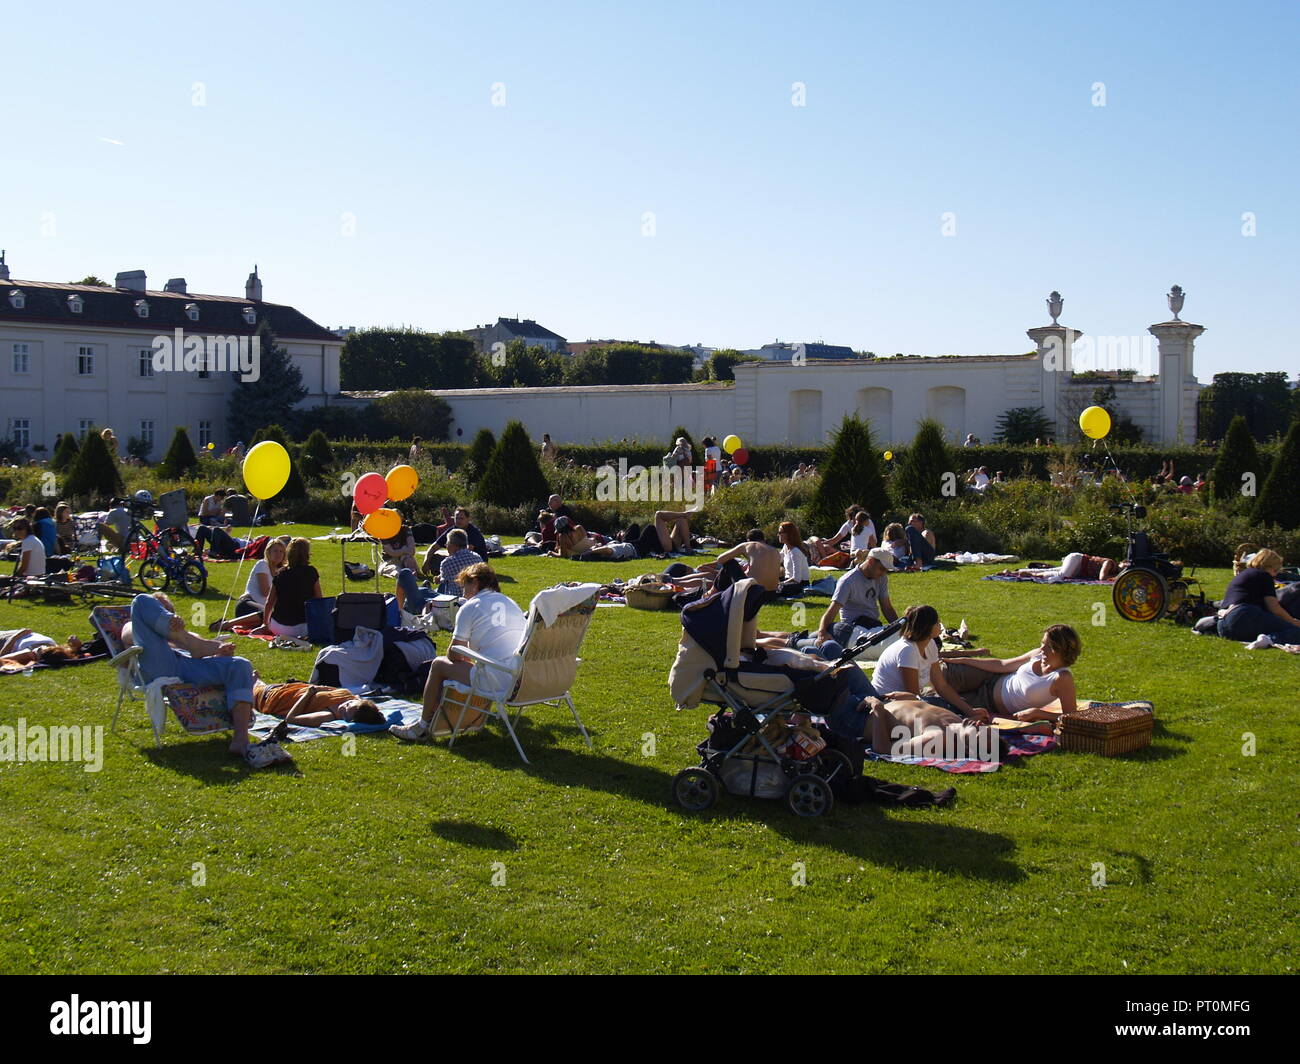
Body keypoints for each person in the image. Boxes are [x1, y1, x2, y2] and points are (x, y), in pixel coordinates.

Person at [390, 563, 527, 741]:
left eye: (465, 586)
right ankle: (449, 716)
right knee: (466, 663)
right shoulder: (510, 603)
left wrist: (466, 655)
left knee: (439, 664)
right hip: (521, 678)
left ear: (476, 583)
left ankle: (422, 726)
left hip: (498, 680)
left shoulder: (470, 607)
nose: (462, 592)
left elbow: (453, 654)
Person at [126, 592, 255, 756]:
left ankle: (241, 738)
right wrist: (165, 629)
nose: (164, 613)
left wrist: (217, 655)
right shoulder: (135, 624)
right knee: (141, 600)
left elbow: (201, 652)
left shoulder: (186, 634)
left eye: (168, 611)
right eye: (158, 609)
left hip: (188, 663)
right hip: (160, 663)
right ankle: (196, 645)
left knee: (240, 665)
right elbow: (127, 634)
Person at [938, 624, 1081, 723]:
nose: (1042, 648)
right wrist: (965, 660)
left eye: (1048, 646)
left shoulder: (1062, 678)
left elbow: (1071, 716)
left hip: (989, 703)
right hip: (988, 677)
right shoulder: (1038, 654)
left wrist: (1038, 714)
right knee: (944, 671)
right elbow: (1003, 664)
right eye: (1042, 643)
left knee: (942, 704)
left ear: (1061, 650)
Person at [870, 605, 983, 718]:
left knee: (959, 705)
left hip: (912, 700)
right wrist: (960, 718)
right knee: (946, 713)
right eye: (937, 622)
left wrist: (969, 710)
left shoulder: (930, 644)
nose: (940, 625)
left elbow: (941, 685)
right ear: (927, 627)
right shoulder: (907, 650)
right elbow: (913, 697)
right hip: (891, 706)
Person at [805, 547, 898, 657]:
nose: (883, 573)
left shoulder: (882, 578)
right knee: (806, 640)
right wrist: (822, 632)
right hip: (850, 631)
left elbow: (887, 608)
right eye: (882, 569)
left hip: (871, 625)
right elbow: (833, 609)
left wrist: (899, 627)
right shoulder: (848, 580)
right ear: (871, 561)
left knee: (807, 638)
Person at [1215, 549, 1300, 646]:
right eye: (1276, 570)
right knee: (1296, 631)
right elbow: (1274, 608)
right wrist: (1293, 621)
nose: (1276, 574)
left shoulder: (1243, 575)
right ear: (1269, 567)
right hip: (1243, 616)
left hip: (1222, 626)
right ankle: (1270, 639)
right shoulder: (1264, 576)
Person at [210, 538, 289, 632]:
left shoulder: (281, 571)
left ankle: (245, 626)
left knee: (277, 618)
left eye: (281, 551)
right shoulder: (262, 564)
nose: (278, 554)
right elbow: (265, 592)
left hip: (262, 608)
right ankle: (226, 624)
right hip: (247, 603)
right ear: (268, 552)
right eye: (275, 551)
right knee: (267, 614)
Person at [252, 677, 386, 729]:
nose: (342, 708)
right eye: (347, 705)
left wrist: (307, 695)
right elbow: (322, 688)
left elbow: (291, 719)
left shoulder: (327, 715)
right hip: (278, 689)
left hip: (267, 699)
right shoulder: (347, 695)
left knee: (240, 676)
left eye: (344, 713)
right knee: (249, 675)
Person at [260, 537, 322, 639]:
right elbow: (319, 600)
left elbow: (269, 602)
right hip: (303, 627)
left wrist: (265, 624)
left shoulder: (280, 573)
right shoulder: (311, 572)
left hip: (278, 626)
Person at [999, 553, 1118, 581]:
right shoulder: (1110, 563)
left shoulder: (1113, 568)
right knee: (1062, 575)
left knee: (1052, 570)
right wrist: (1114, 577)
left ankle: (1015, 572)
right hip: (1077, 560)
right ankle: (1032, 575)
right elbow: (1102, 578)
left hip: (1078, 568)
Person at [0, 629, 85, 668]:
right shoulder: (56, 651)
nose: (42, 647)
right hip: (20, 634)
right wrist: (76, 643)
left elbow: (2, 657)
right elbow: (72, 650)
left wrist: (16, 636)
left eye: (40, 650)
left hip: (7, 639)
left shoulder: (30, 652)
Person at [777, 520, 811, 595]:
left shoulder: (795, 552)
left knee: (775, 589)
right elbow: (777, 561)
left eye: (780, 532)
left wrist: (781, 583)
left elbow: (797, 579)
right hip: (788, 580)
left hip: (798, 584)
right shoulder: (786, 546)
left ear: (788, 534)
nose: (778, 535)